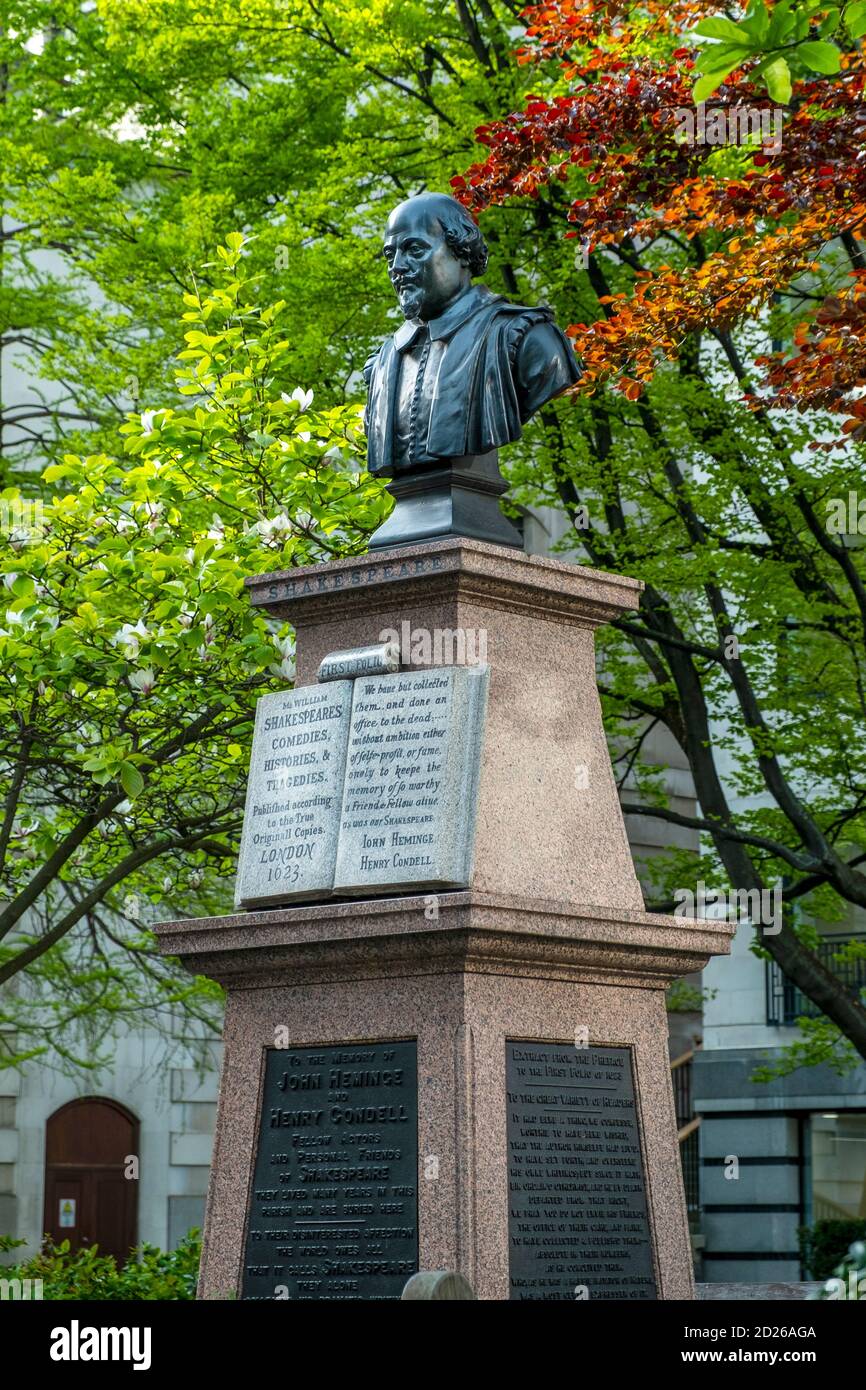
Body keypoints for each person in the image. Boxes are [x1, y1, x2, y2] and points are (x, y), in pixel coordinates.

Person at [364, 192, 580, 478]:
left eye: (414, 250)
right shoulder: (382, 364)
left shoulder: (527, 340)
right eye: (391, 255)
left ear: (462, 252)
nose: (397, 267)